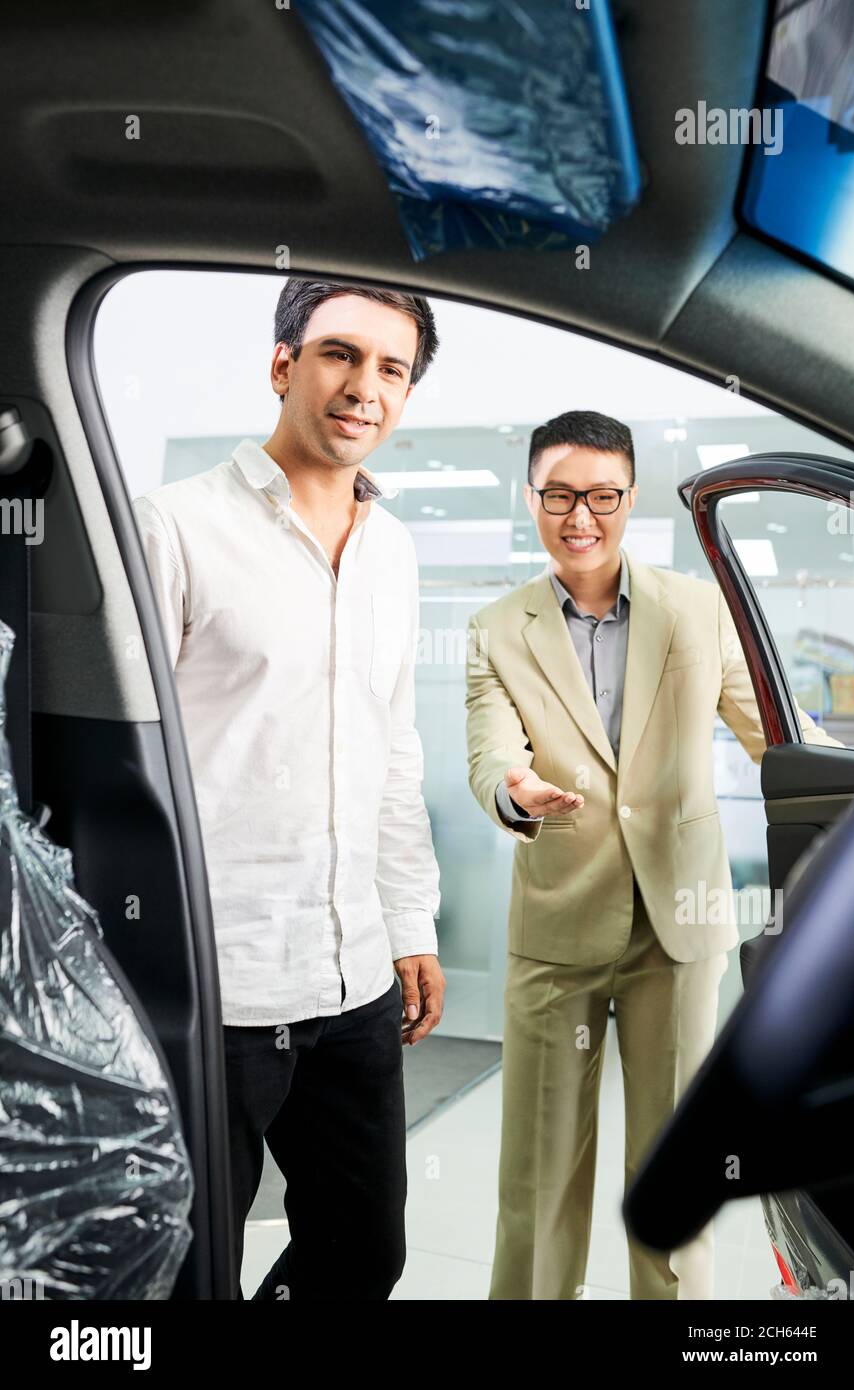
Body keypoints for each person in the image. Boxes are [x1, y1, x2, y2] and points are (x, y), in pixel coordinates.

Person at [465, 409, 838, 1300]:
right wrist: (513, 791)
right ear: (532, 498)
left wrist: (842, 785)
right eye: (559, 495)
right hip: (555, 932)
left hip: (678, 933)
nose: (580, 517)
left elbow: (773, 735)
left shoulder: (695, 607)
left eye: (601, 496)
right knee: (538, 1181)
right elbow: (490, 750)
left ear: (628, 498)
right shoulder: (494, 626)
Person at [135, 278, 445, 1300]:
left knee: (363, 1253)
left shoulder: (393, 550)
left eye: (392, 368)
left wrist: (410, 922)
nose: (366, 386)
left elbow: (391, 746)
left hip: (351, 976)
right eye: (340, 354)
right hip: (214, 979)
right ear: (283, 364)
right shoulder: (173, 528)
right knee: (191, 1266)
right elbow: (124, 760)